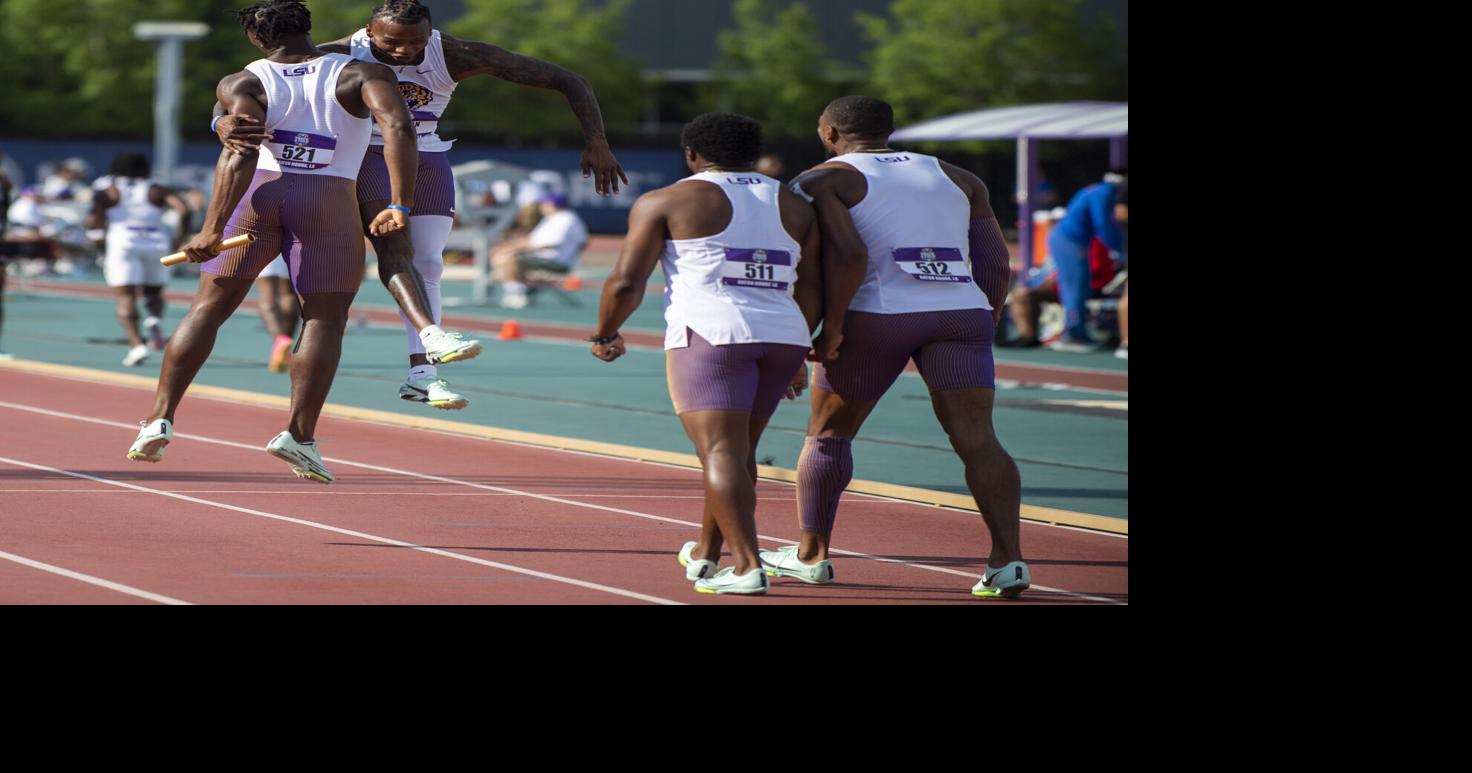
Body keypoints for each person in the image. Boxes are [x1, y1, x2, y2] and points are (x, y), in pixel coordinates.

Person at [215, 0, 627, 409]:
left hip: (426, 153)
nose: (404, 51)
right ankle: (416, 355)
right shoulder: (336, 55)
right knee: (399, 252)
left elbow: (570, 79)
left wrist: (597, 141)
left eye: (416, 41)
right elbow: (240, 90)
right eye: (392, 42)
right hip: (361, 155)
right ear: (369, 32)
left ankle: (422, 376)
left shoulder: (453, 53)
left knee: (430, 262)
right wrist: (221, 122)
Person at [126, 0, 419, 483]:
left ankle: (160, 416)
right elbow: (398, 127)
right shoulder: (363, 74)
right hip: (329, 197)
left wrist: (211, 228)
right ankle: (298, 435)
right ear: (309, 28)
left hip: (259, 194)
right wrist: (400, 202)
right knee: (324, 319)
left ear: (256, 40)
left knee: (207, 308)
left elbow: (237, 152)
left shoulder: (243, 81)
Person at [778, 95, 1029, 598]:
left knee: (829, 435)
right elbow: (996, 263)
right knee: (978, 438)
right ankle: (1008, 560)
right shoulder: (960, 178)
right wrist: (986, 316)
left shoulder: (819, 180)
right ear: (889, 130)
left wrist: (797, 339)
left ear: (828, 133)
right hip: (961, 312)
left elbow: (801, 267)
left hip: (876, 315)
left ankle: (811, 555)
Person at [591, 113, 822, 595]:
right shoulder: (793, 202)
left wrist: (606, 331)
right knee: (738, 454)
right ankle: (706, 553)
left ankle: (747, 566)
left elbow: (627, 280)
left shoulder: (670, 199)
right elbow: (813, 283)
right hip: (784, 334)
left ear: (692, 154)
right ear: (754, 154)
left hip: (712, 334)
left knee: (720, 452)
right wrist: (801, 345)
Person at [85, 153, 191, 367]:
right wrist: (180, 236)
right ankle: (154, 319)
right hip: (156, 240)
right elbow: (184, 208)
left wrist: (95, 231)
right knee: (154, 291)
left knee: (126, 296)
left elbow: (93, 219)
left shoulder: (109, 189)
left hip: (123, 240)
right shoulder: (156, 188)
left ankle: (136, 345)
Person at [1046, 169, 1127, 352]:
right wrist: (1120, 250)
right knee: (1076, 287)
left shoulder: (1098, 189)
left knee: (1078, 286)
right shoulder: (1105, 193)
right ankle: (1073, 333)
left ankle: (1077, 331)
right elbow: (1103, 224)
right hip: (1070, 241)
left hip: (1068, 239)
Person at [494, 192, 587, 308]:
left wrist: (516, 249)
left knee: (510, 260)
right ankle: (524, 290)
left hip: (555, 260)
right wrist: (509, 246)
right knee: (503, 256)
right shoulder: (552, 218)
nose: (542, 206)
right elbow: (532, 240)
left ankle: (517, 294)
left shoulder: (565, 219)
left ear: (553, 205)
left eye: (545, 204)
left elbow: (550, 244)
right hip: (547, 258)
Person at [256, 255, 300, 372]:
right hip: (295, 241)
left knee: (267, 292)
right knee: (290, 293)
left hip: (268, 241)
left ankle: (280, 341)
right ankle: (284, 352)